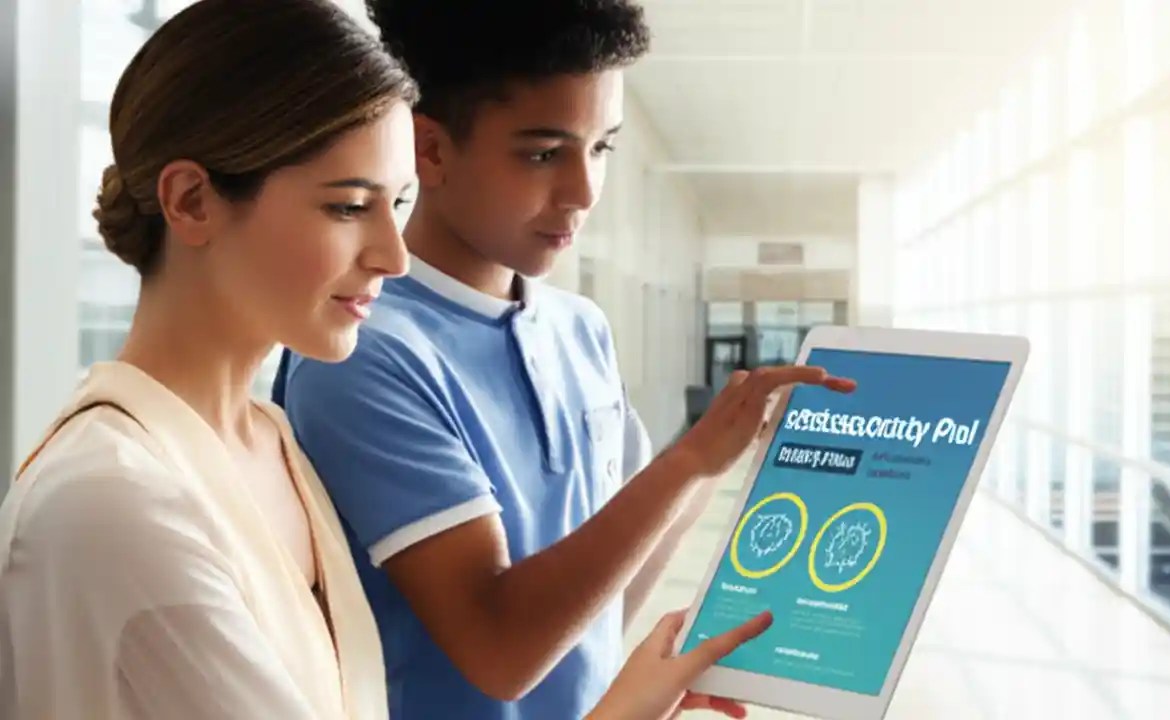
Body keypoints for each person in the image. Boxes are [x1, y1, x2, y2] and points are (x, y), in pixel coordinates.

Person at [0, 1, 836, 718]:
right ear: (191, 201)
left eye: (395, 204)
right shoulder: (116, 501)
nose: (395, 257)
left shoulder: (269, 446)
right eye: (348, 206)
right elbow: (497, 645)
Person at [273, 2, 857, 719]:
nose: (583, 192)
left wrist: (738, 449)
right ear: (428, 152)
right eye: (544, 153)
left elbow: (596, 611)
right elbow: (501, 651)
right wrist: (690, 460)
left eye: (602, 148)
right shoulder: (364, 354)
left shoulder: (580, 329)